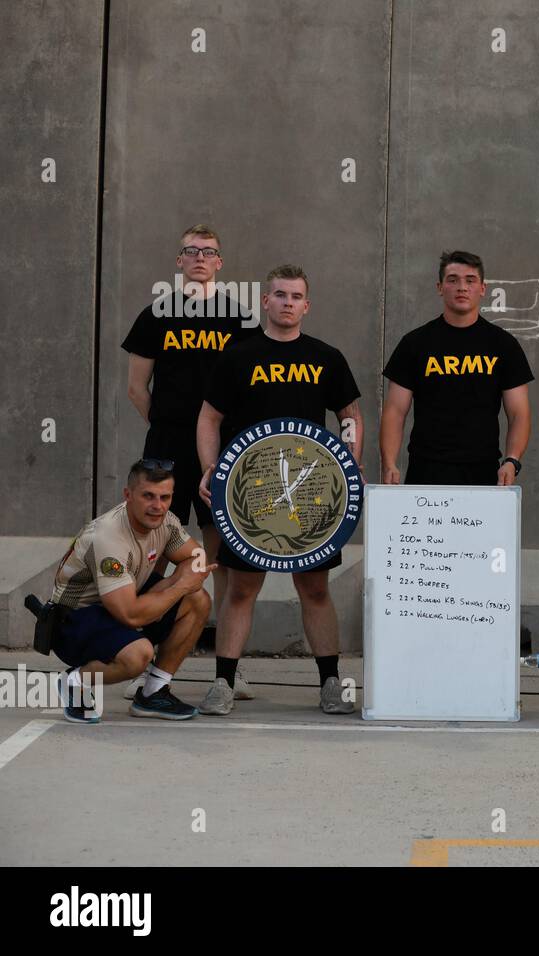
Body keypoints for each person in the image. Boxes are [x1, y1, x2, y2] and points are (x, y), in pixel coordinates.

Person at [196, 265, 364, 716]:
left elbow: (350, 413)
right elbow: (209, 417)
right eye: (280, 295)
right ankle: (223, 685)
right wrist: (211, 467)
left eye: (296, 296)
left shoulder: (326, 357)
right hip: (249, 494)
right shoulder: (237, 356)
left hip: (310, 497)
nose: (288, 302)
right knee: (240, 589)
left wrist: (350, 463)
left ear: (306, 306)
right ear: (265, 302)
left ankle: (331, 683)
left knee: (314, 589)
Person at [121, 223, 258, 699]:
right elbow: (138, 388)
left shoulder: (239, 318)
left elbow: (249, 386)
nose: (200, 257)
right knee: (157, 550)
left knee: (217, 553)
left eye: (209, 252)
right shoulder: (156, 315)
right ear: (179, 261)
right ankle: (146, 656)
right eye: (191, 251)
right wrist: (166, 428)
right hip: (168, 448)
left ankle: (227, 667)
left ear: (220, 263)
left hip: (223, 449)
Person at [47, 460, 215, 723]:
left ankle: (154, 692)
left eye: (165, 497)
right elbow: (130, 616)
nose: (157, 506)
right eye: (148, 496)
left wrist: (168, 587)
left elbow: (198, 558)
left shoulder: (166, 521)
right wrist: (178, 584)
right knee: (139, 654)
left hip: (120, 602)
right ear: (128, 495)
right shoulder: (109, 536)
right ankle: (75, 680)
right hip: (74, 621)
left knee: (198, 600)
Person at [381, 250, 533, 487]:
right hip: (426, 469)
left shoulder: (503, 345)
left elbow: (519, 413)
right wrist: (389, 463)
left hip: (483, 471)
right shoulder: (415, 343)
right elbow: (395, 411)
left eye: (470, 280)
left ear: (482, 288)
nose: (462, 287)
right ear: (440, 287)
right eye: (453, 280)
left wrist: (512, 460)